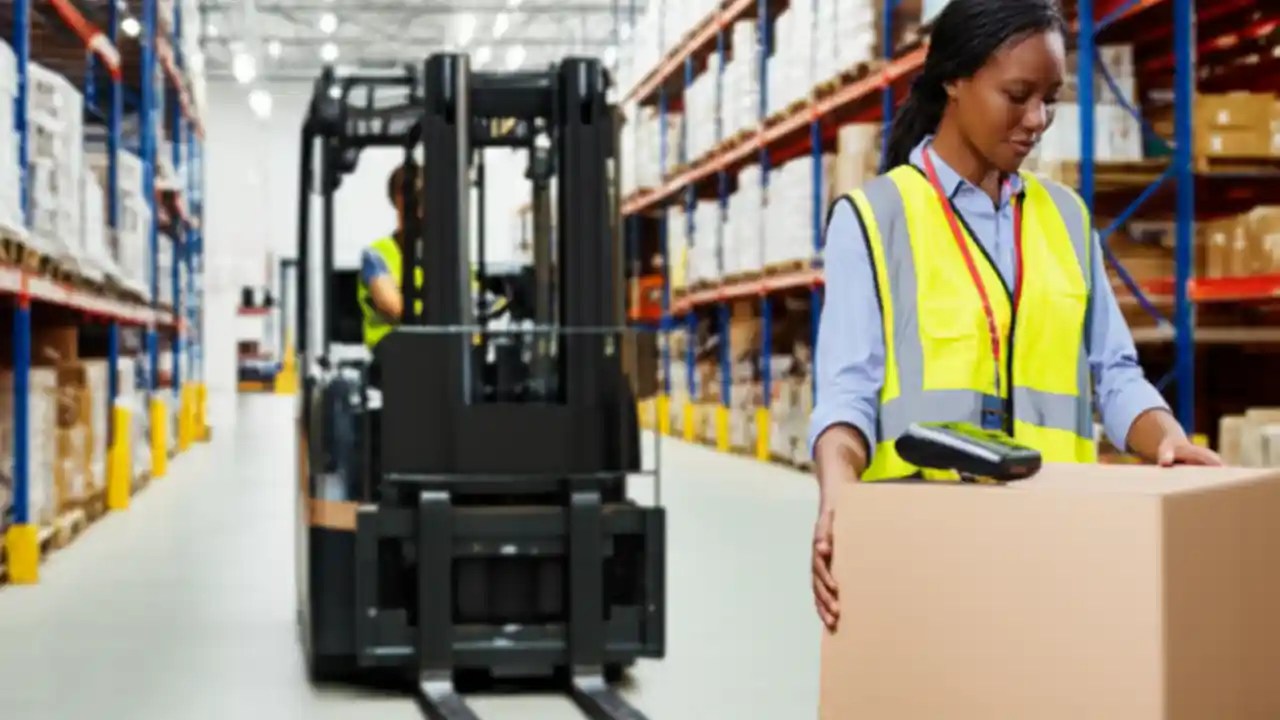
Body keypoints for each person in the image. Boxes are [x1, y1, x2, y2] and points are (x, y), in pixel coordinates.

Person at [806, 0, 1221, 631]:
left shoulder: (1067, 218)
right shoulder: (874, 218)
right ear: (955, 79)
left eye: (1050, 98)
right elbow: (847, 392)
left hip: (1054, 539)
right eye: (1018, 94)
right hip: (927, 547)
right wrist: (837, 490)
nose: (1037, 119)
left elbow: (1114, 373)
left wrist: (1169, 440)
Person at [358, 160, 423, 350]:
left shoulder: (451, 255)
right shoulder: (376, 255)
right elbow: (395, 309)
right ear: (399, 199)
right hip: (394, 357)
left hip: (448, 355)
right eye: (416, 196)